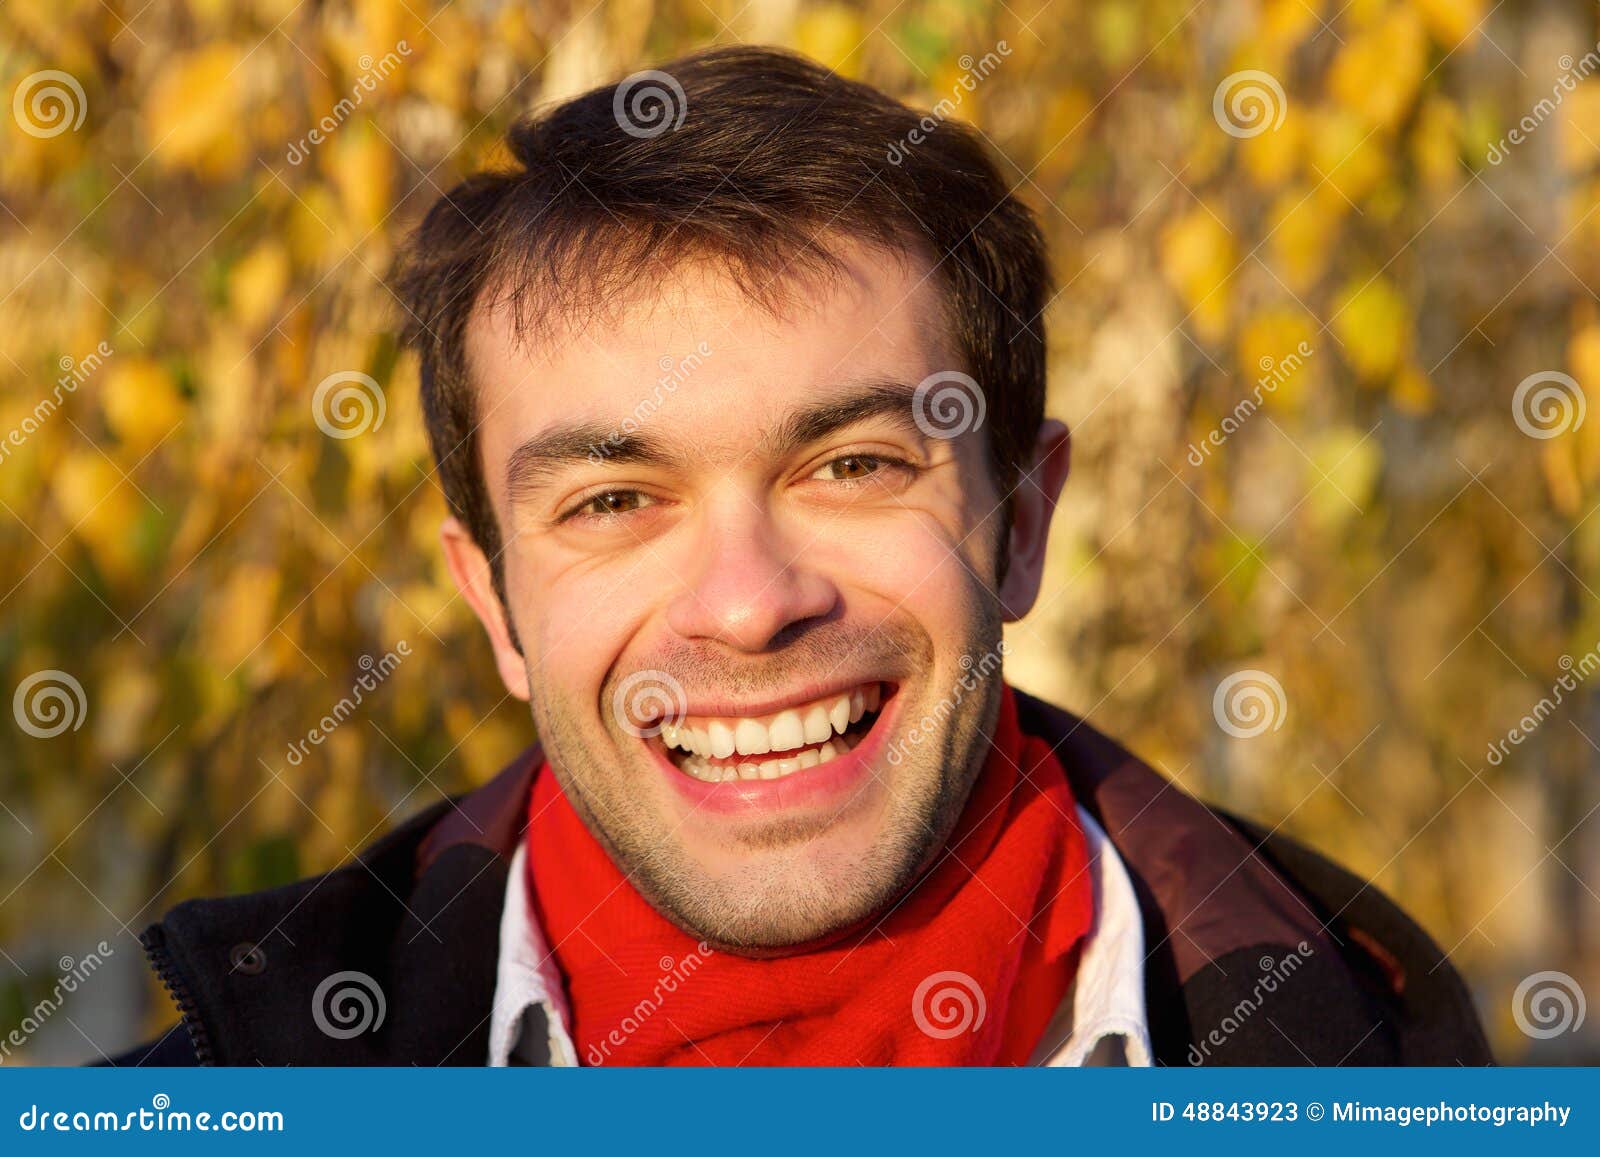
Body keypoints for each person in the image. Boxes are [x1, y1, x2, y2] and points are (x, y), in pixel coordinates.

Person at [117, 46, 1489, 1067]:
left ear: (1020, 519)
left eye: (852, 466)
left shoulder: (1376, 1058)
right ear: (493, 600)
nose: (748, 601)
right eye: (610, 500)